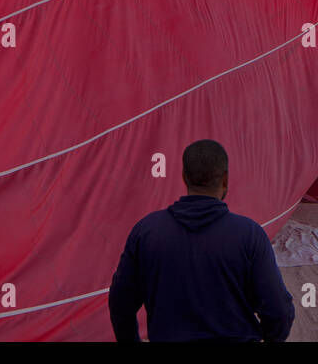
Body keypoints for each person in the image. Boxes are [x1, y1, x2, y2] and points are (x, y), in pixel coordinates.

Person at [108, 139, 294, 342]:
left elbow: (120, 303)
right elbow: (279, 312)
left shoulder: (146, 232)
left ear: (184, 176)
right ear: (225, 179)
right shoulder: (250, 235)